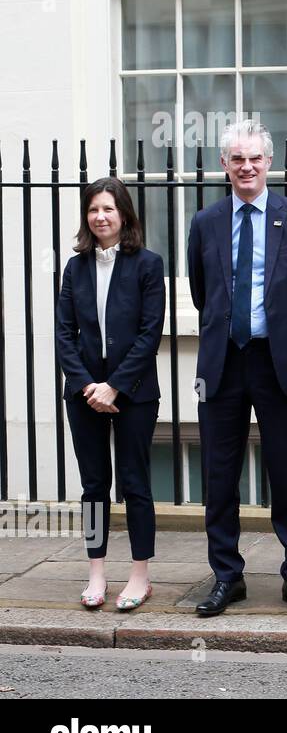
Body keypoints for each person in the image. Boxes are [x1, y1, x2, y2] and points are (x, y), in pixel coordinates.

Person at [187, 120, 287, 617]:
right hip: (224, 362)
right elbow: (201, 291)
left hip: (280, 362)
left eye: (254, 158)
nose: (246, 167)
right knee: (219, 475)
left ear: (269, 163)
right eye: (236, 159)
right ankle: (227, 576)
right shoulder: (205, 222)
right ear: (224, 165)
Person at [55, 177, 165, 611]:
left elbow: (149, 332)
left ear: (124, 215)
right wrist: (87, 385)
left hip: (133, 392)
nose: (100, 217)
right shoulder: (75, 267)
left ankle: (140, 575)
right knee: (94, 485)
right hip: (83, 394)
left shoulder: (148, 265)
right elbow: (65, 333)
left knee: (135, 482)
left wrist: (114, 385)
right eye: (93, 209)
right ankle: (96, 571)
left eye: (108, 209)